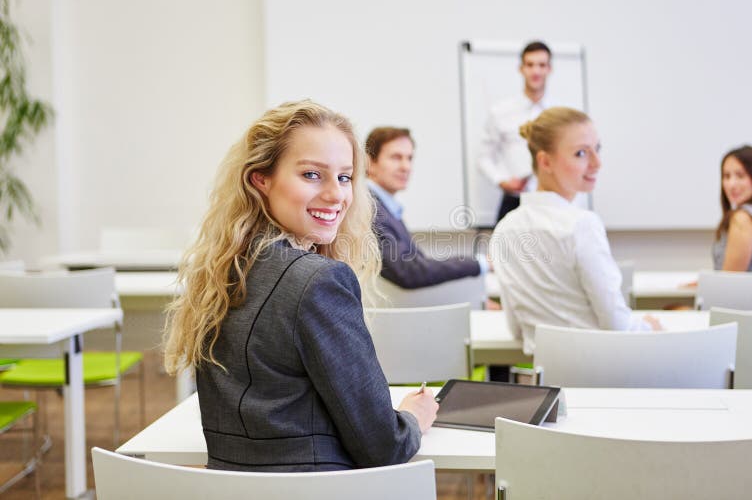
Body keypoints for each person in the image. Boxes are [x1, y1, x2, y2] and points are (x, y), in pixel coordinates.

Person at [163, 100, 437, 472]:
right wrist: (413, 417)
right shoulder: (319, 281)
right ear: (261, 179)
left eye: (344, 177)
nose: (336, 195)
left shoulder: (223, 271)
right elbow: (384, 446)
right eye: (311, 174)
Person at [489, 107, 659, 355]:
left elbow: (517, 330)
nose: (597, 163)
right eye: (581, 153)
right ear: (545, 162)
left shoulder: (504, 229)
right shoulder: (581, 225)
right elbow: (617, 325)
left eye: (597, 149)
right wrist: (649, 327)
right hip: (600, 370)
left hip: (546, 375)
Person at [365, 126, 487, 289]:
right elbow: (410, 271)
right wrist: (479, 263)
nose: (406, 167)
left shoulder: (385, 207)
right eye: (396, 157)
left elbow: (417, 264)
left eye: (409, 158)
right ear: (370, 163)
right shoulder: (370, 209)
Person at [478, 40, 552, 222]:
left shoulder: (560, 114)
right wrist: (501, 180)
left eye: (541, 65)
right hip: (514, 202)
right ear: (521, 68)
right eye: (530, 65)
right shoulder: (501, 112)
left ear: (549, 69)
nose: (536, 71)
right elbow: (483, 156)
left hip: (550, 202)